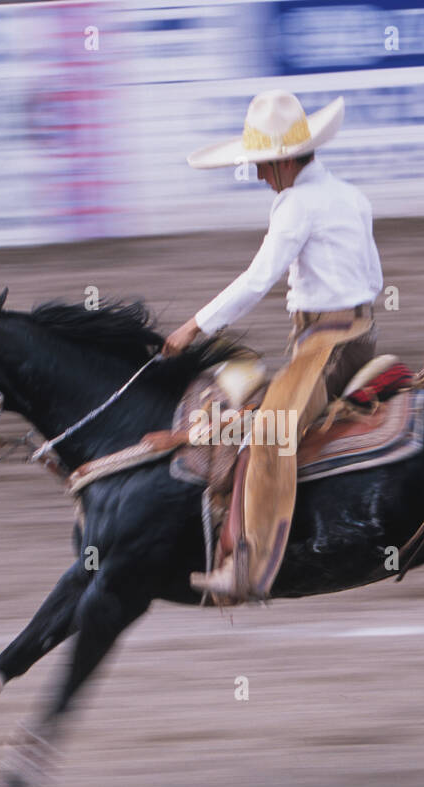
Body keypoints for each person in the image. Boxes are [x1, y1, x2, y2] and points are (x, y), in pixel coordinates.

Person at [162, 90, 383, 602]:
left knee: (270, 432)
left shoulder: (296, 205)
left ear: (285, 161)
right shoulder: (351, 196)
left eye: (262, 166)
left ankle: (249, 564)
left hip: (325, 345)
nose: (259, 176)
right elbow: (370, 275)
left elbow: (256, 281)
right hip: (358, 335)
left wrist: (194, 327)